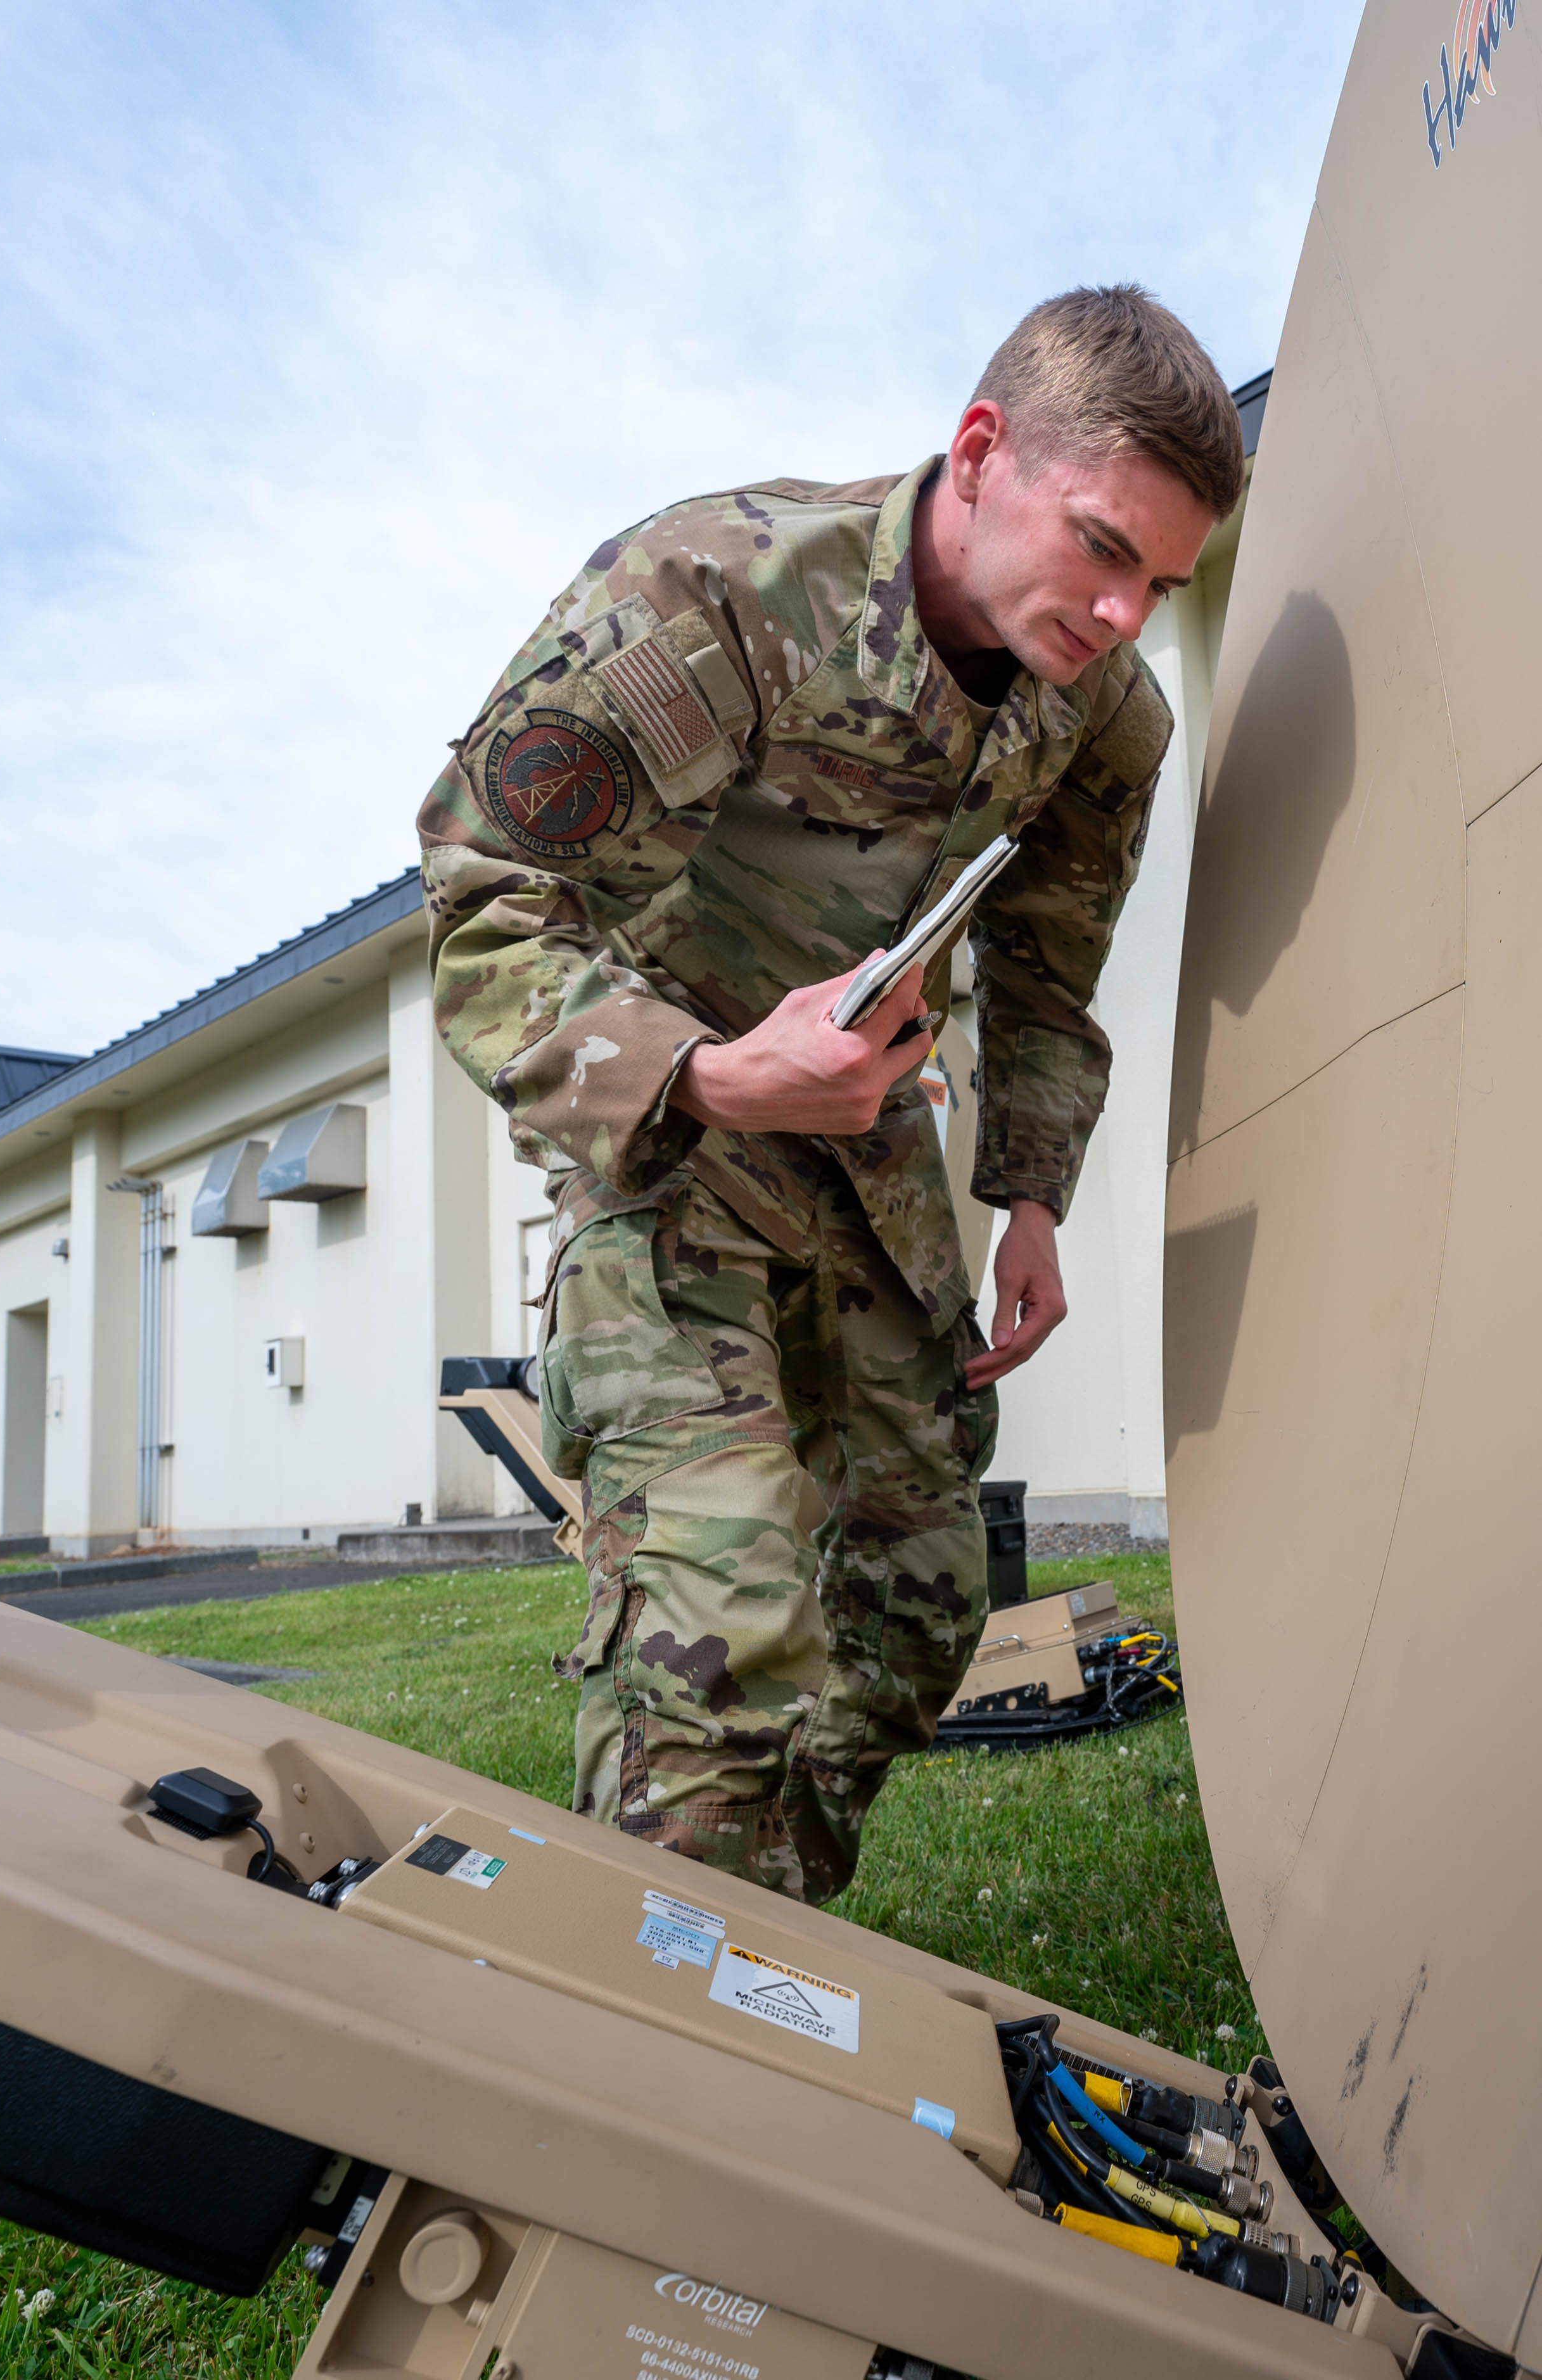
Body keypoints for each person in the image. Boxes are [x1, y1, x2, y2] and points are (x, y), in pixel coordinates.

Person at [418, 286, 1245, 1903]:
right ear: (983, 452)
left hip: (872, 1164)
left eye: (1162, 583)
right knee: (719, 1629)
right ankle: (653, 1985)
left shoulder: (1103, 714)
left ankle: (761, 1939)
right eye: (1101, 549)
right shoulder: (717, 596)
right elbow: (484, 896)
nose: (1124, 613)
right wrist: (718, 1073)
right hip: (674, 1154)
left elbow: (1048, 969)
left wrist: (1030, 1199)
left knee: (922, 1606)